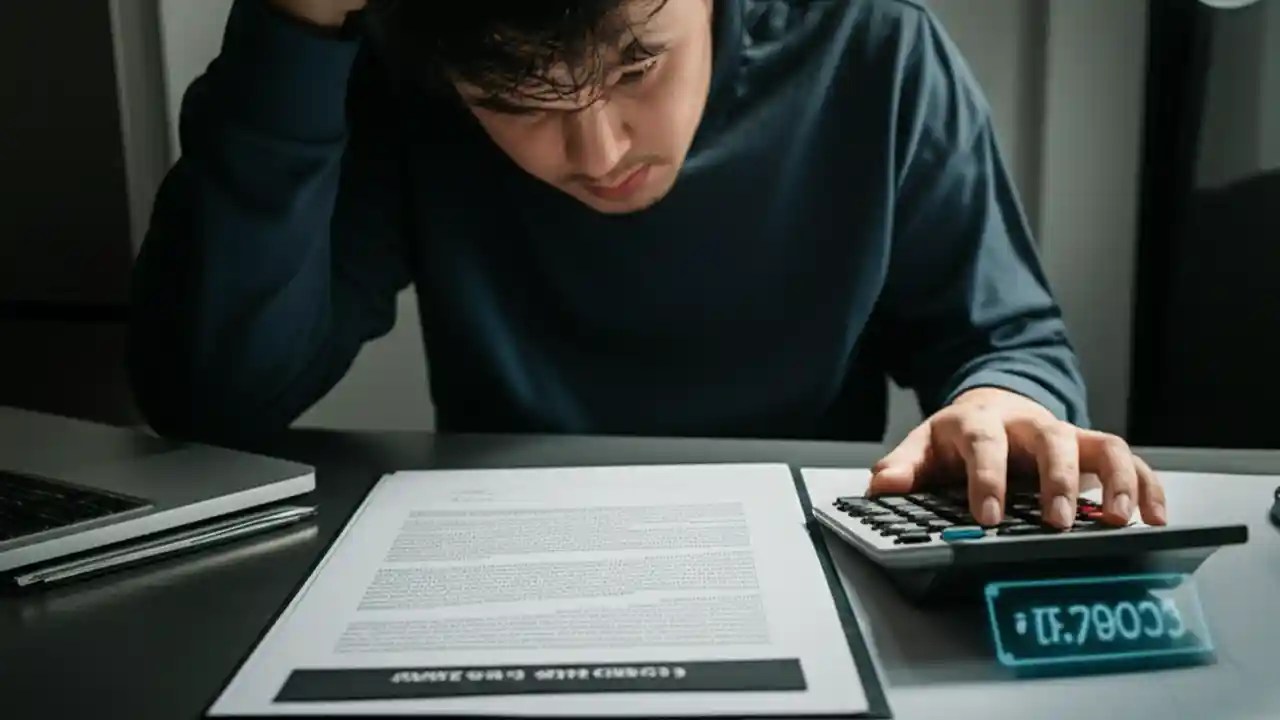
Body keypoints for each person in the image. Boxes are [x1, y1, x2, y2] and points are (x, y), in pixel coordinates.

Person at [128, 0, 1167, 530]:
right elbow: (211, 392)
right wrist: (292, 27)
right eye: (519, 100)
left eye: (636, 65)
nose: (600, 153)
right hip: (491, 565)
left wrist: (997, 398)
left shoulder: (873, 44)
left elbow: (1000, 335)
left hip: (804, 549)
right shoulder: (409, 78)